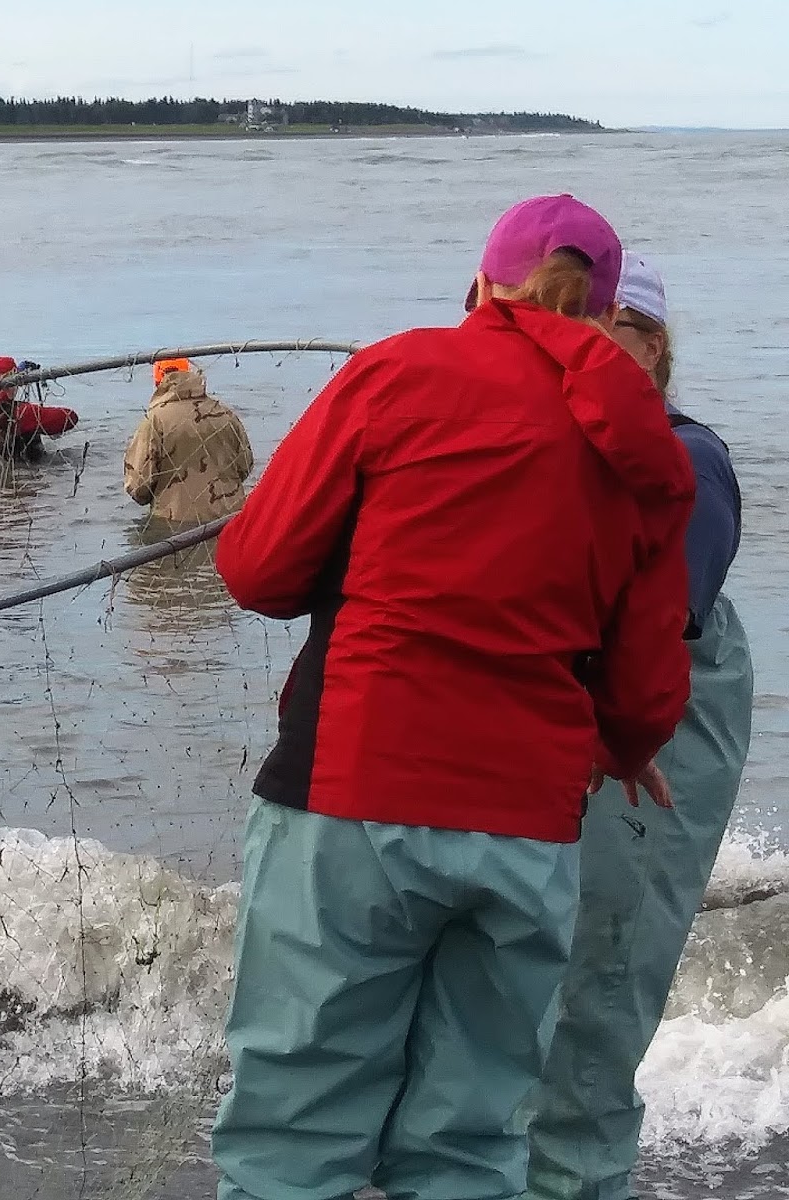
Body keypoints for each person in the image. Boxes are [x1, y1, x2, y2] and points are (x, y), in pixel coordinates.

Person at [210, 195, 697, 1200]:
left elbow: (257, 570)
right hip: (525, 835)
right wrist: (623, 741)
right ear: (605, 315)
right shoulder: (647, 447)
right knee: (470, 1146)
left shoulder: (396, 368)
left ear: (482, 283)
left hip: (349, 799)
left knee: (293, 1136)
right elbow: (648, 691)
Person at [524, 257, 752, 1200]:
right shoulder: (566, 444)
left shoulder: (688, 458)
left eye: (610, 322)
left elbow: (659, 621)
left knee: (597, 1005)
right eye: (569, 317)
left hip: (653, 755)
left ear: (652, 346)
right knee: (527, 1001)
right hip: (578, 750)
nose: (583, 338)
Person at [122, 357, 254, 523]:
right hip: (230, 518)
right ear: (189, 373)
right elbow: (245, 465)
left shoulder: (155, 420)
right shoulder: (224, 413)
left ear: (157, 380)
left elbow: (139, 487)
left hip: (174, 524)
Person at [0, 356, 78, 462]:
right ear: (10, 383)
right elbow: (70, 418)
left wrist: (19, 373)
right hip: (23, 472)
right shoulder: (21, 413)